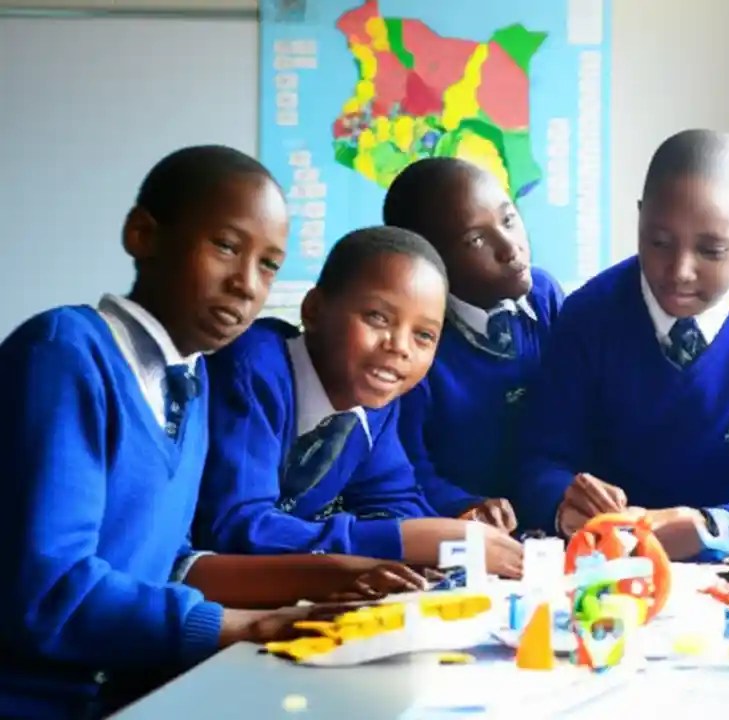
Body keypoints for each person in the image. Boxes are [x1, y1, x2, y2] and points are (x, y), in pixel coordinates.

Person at [0, 145, 362, 717]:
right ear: (142, 235)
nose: (247, 284)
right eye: (226, 246)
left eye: (269, 264)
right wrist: (243, 626)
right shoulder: (66, 352)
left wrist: (332, 580)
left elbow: (166, 562)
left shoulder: (188, 378)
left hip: (134, 692)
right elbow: (51, 589)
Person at [516, 129, 729, 561]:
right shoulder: (588, 316)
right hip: (616, 558)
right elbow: (538, 462)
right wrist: (563, 502)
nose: (680, 270)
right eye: (659, 242)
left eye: (712, 250)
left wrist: (713, 527)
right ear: (639, 218)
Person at [196, 225, 523, 577]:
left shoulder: (374, 405)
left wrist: (444, 532)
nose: (399, 347)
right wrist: (402, 542)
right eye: (377, 318)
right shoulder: (254, 369)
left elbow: (392, 501)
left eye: (424, 335)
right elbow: (237, 527)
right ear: (315, 310)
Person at [385, 158, 564, 532]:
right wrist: (462, 507)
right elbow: (406, 467)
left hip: (555, 520)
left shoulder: (545, 298)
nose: (510, 248)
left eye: (509, 220)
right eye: (476, 240)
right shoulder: (415, 347)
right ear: (430, 261)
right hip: (463, 536)